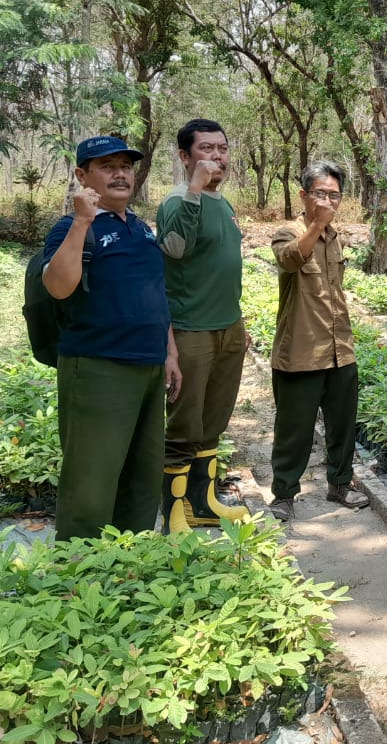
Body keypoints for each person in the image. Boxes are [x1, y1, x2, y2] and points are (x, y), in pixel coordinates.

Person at [41, 135, 182, 540]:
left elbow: (156, 294)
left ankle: (128, 564)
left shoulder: (139, 227)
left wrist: (169, 352)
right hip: (99, 368)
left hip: (149, 367)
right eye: (107, 166)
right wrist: (84, 220)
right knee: (91, 480)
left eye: (126, 165)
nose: (120, 173)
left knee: (142, 475)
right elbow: (57, 286)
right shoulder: (70, 228)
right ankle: (79, 571)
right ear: (82, 175)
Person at [156, 118, 250, 533]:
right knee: (184, 423)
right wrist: (194, 189)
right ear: (184, 156)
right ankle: (174, 513)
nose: (217, 157)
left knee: (213, 420)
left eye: (222, 149)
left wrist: (239, 323)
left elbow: (222, 269)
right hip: (191, 331)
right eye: (206, 149)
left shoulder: (224, 204)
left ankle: (203, 503)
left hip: (228, 327)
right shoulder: (177, 201)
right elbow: (175, 249)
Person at [267, 160, 369, 520]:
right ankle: (283, 494)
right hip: (300, 352)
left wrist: (326, 225)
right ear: (304, 195)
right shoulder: (287, 232)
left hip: (340, 348)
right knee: (294, 429)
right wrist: (319, 224)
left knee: (343, 425)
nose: (328, 201)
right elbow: (291, 260)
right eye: (321, 193)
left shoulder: (334, 236)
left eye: (335, 195)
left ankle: (340, 485)